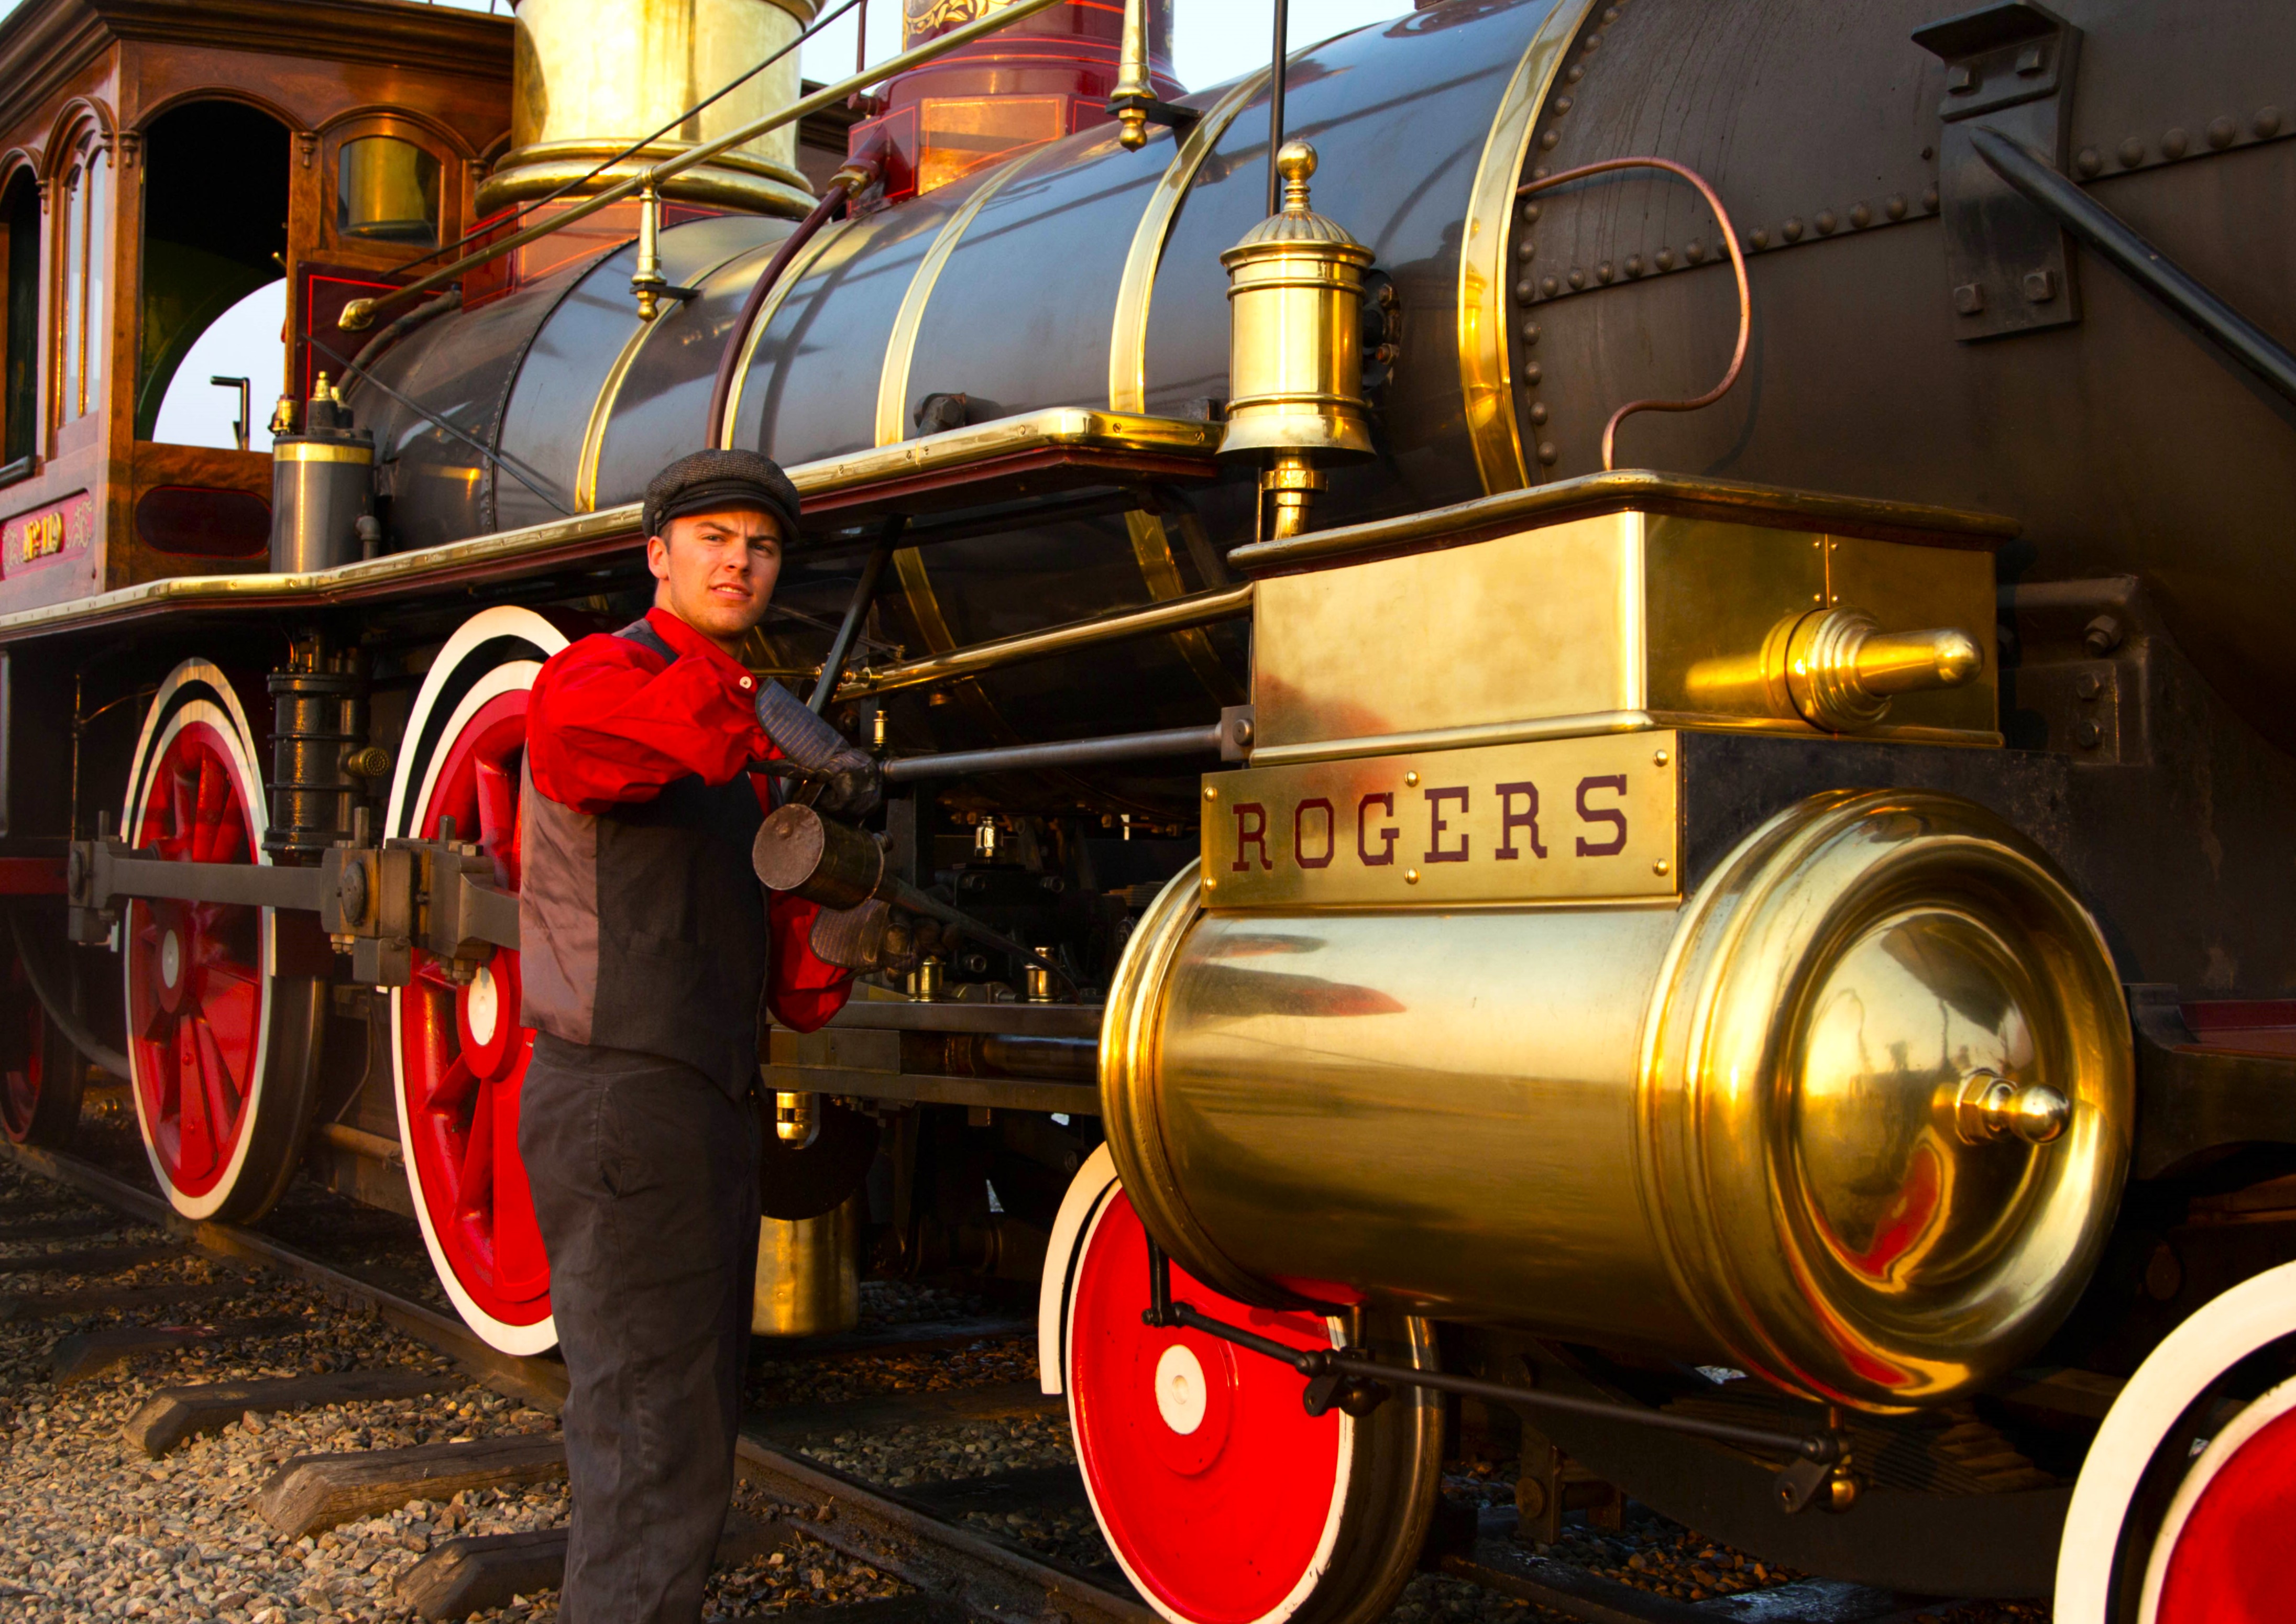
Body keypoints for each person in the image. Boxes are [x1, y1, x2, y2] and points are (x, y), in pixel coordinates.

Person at [514, 449, 876, 1624]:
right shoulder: (597, 676)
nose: (740, 560)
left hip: (702, 1105)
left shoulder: (748, 764)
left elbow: (790, 986)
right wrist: (763, 710)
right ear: (657, 555)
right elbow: (583, 740)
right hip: (621, 1096)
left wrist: (851, 906)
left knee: (679, 1426)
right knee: (645, 1434)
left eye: (761, 547)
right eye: (714, 539)